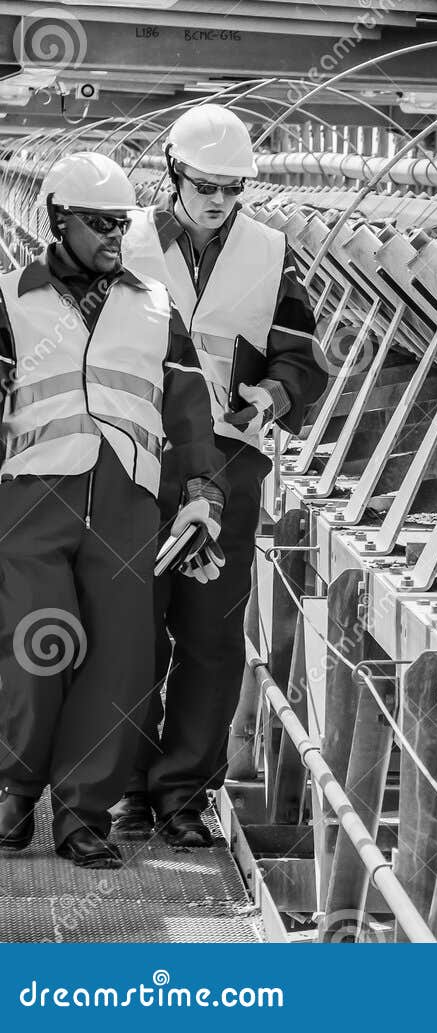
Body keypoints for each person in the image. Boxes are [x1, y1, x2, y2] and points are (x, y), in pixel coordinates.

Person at [0, 152, 224, 870]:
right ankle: (12, 792)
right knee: (32, 655)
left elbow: (190, 418)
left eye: (122, 224)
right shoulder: (9, 300)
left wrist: (198, 499)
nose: (113, 237)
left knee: (123, 666)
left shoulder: (156, 308)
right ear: (57, 220)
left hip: (128, 507)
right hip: (31, 503)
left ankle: (81, 816)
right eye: (98, 224)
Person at [115, 103, 327, 847]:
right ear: (173, 172)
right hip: (138, 467)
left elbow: (300, 352)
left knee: (209, 637)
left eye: (234, 187)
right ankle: (128, 789)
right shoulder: (126, 242)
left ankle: (182, 795)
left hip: (230, 468)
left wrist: (276, 390)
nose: (219, 199)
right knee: (131, 632)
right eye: (206, 184)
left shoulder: (271, 252)